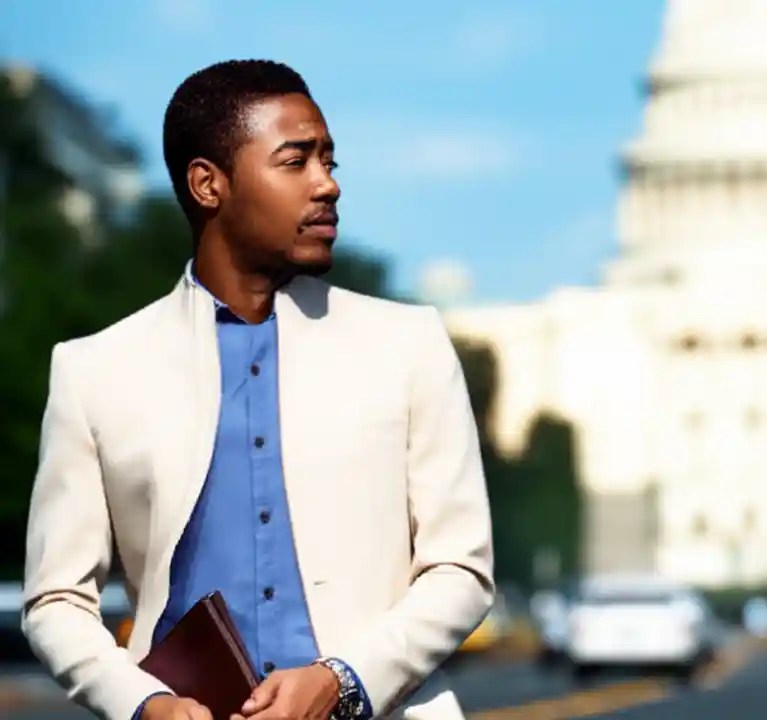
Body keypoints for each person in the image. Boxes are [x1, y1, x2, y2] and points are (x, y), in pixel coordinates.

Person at [21, 59, 494, 720]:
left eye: (329, 161)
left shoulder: (408, 344)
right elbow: (56, 602)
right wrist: (144, 703)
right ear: (208, 185)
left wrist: (342, 680)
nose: (327, 185)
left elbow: (460, 570)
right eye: (295, 161)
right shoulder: (95, 370)